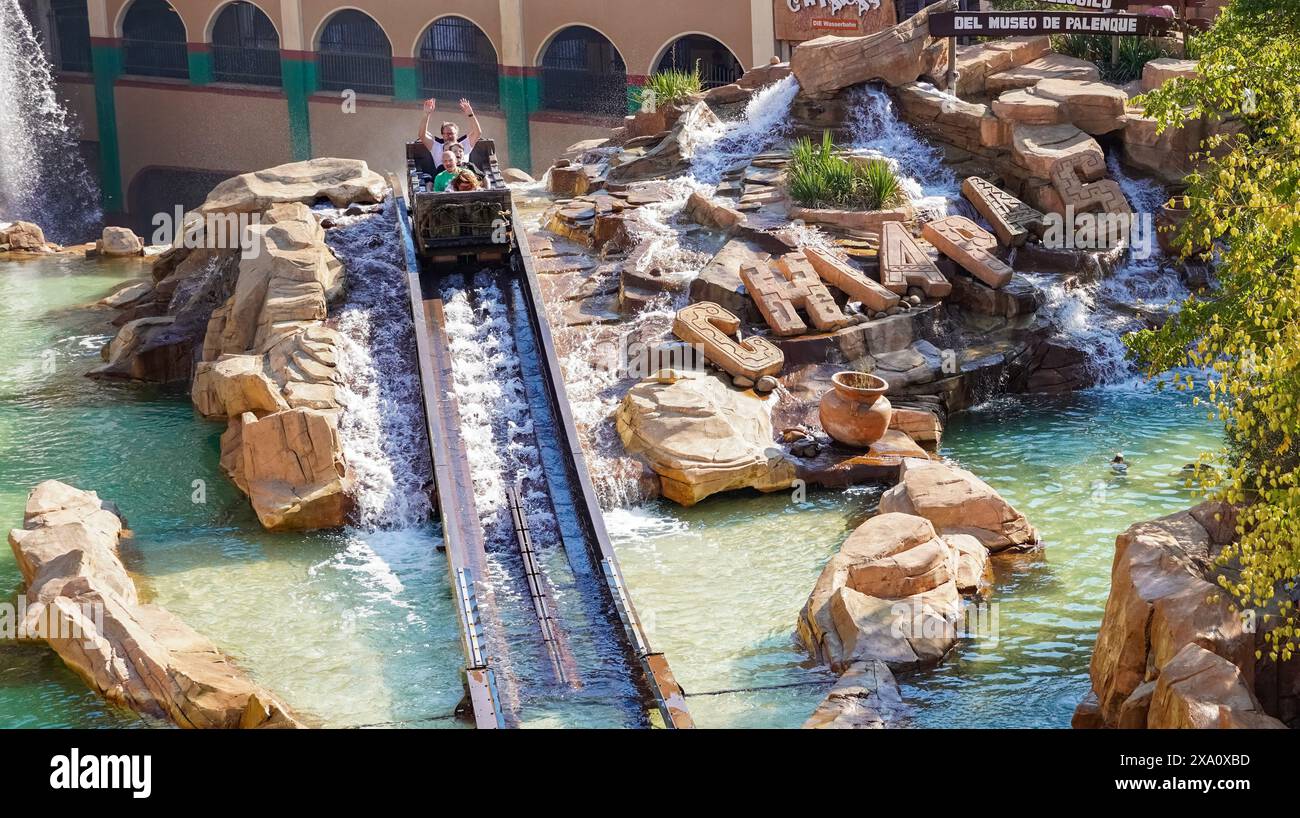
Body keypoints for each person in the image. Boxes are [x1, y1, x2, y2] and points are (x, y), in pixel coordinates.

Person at [418, 98, 481, 166]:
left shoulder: (464, 144)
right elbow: (422, 135)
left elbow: (477, 132)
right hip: (443, 172)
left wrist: (470, 114)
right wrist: (426, 114)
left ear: (457, 134)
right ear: (442, 135)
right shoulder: (437, 146)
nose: (449, 136)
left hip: (463, 172)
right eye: (447, 134)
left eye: (451, 133)